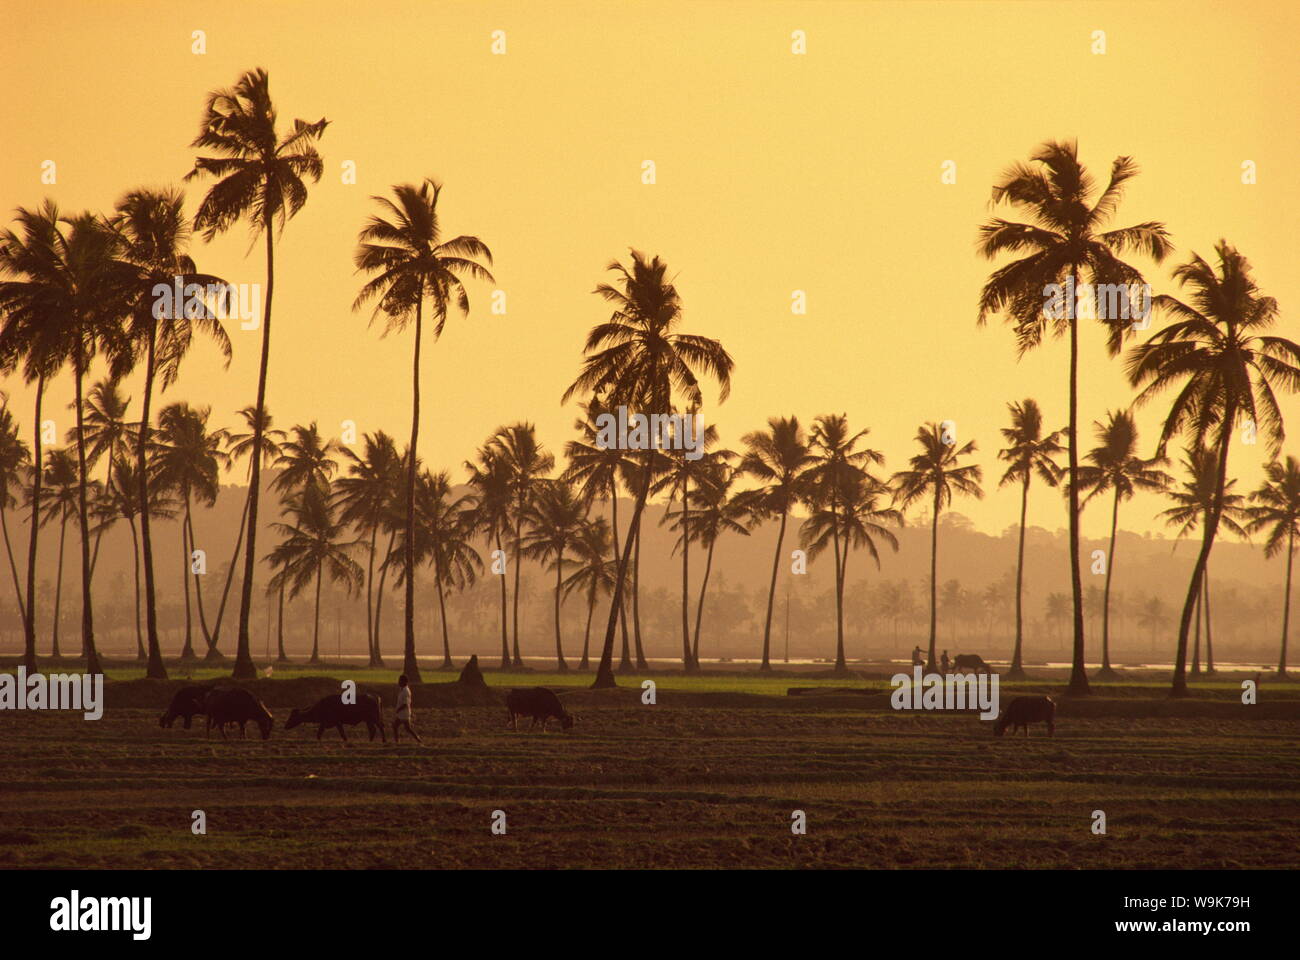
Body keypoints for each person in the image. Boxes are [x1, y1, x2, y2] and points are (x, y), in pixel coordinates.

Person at [393, 674, 422, 743]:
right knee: (404, 728)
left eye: (400, 681)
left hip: (404, 713)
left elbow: (405, 704)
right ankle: (418, 739)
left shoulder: (406, 691)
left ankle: (397, 741)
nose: (398, 682)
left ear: (404, 682)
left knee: (400, 727)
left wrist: (398, 709)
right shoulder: (402, 690)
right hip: (402, 713)